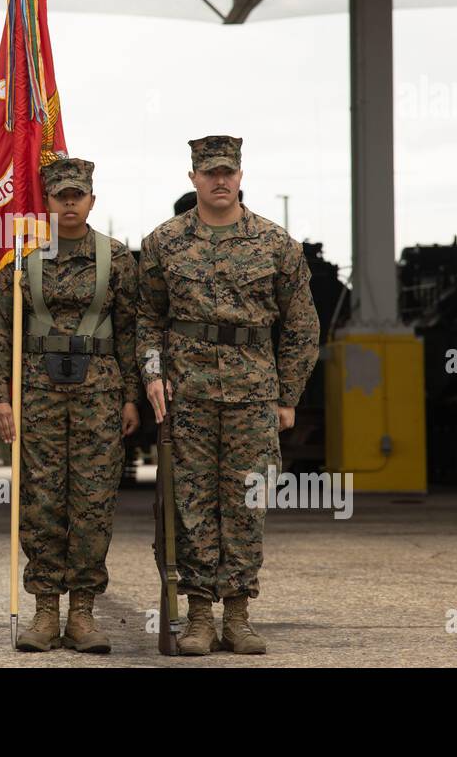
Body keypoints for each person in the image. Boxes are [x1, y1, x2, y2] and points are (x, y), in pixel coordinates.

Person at [137, 135, 319, 655]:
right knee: (190, 502)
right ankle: (197, 615)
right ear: (193, 177)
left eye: (228, 172)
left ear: (241, 177)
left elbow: (302, 325)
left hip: (253, 394)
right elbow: (147, 318)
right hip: (186, 395)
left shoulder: (275, 243)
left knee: (247, 501)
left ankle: (237, 615)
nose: (220, 180)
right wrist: (152, 373)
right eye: (210, 172)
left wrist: (288, 397)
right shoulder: (164, 243)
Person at [0, 158, 140, 653]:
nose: (70, 203)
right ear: (47, 203)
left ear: (92, 200)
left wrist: (132, 398)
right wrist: (2, 397)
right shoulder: (20, 265)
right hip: (39, 397)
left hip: (99, 396)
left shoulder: (116, 260)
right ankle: (45, 611)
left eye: (78, 195)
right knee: (41, 502)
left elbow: (133, 335)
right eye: (61, 196)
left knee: (94, 503)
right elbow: (2, 338)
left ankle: (83, 614)